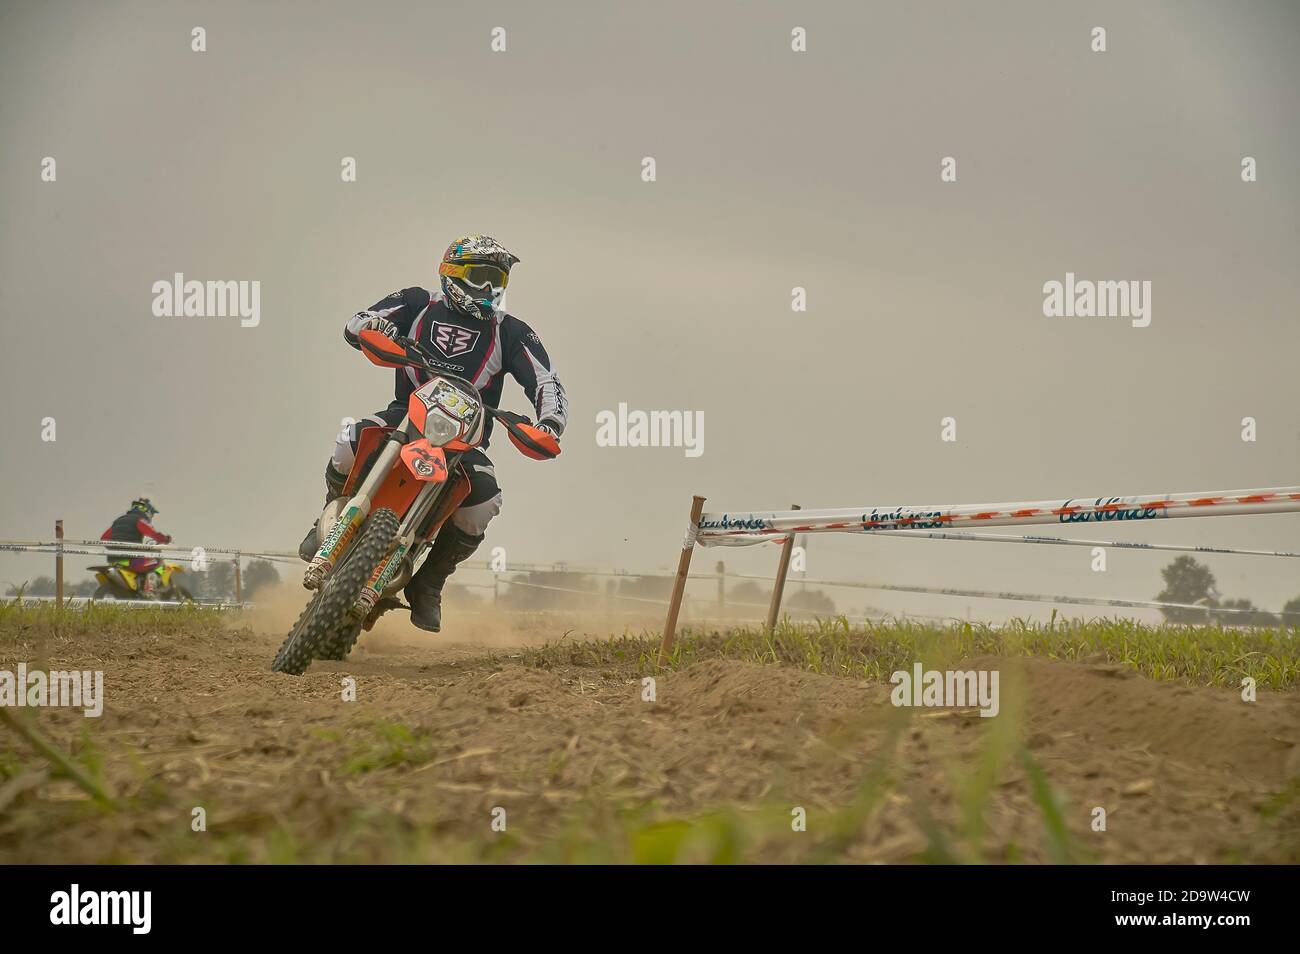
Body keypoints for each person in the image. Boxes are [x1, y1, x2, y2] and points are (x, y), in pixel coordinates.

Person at [300, 235, 567, 632]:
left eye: (498, 281)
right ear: (453, 272)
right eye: (481, 276)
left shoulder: (512, 332)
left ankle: (429, 583)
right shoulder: (416, 302)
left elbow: (546, 381)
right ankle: (328, 517)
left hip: (464, 439)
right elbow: (359, 321)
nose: (490, 289)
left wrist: (549, 424)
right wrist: (372, 328)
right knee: (349, 440)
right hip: (404, 417)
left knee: (484, 503)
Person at [101, 497, 172, 596]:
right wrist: (165, 539)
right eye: (152, 514)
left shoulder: (118, 521)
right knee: (157, 561)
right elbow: (154, 534)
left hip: (114, 560)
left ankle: (140, 586)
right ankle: (149, 590)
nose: (151, 517)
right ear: (147, 512)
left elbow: (104, 538)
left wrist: (116, 548)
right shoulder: (140, 520)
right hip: (132, 560)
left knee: (145, 559)